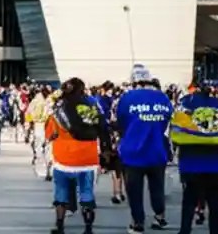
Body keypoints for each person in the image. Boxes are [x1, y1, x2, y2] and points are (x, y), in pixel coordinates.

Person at [171, 81, 218, 234]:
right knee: (215, 200)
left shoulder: (186, 104)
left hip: (191, 162)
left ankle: (185, 230)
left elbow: (176, 131)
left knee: (189, 199)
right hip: (217, 162)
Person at [115, 64, 172, 233]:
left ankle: (138, 222)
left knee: (134, 191)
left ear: (133, 81)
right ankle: (160, 217)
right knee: (157, 187)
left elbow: (121, 121)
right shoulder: (162, 98)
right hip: (157, 150)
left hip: (133, 152)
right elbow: (167, 120)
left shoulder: (127, 98)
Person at [46, 78, 103, 234]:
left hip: (63, 159)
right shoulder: (92, 106)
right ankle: (88, 228)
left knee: (61, 193)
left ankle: (60, 226)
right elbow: (102, 127)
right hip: (88, 158)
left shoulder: (58, 109)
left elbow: (50, 134)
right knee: (87, 193)